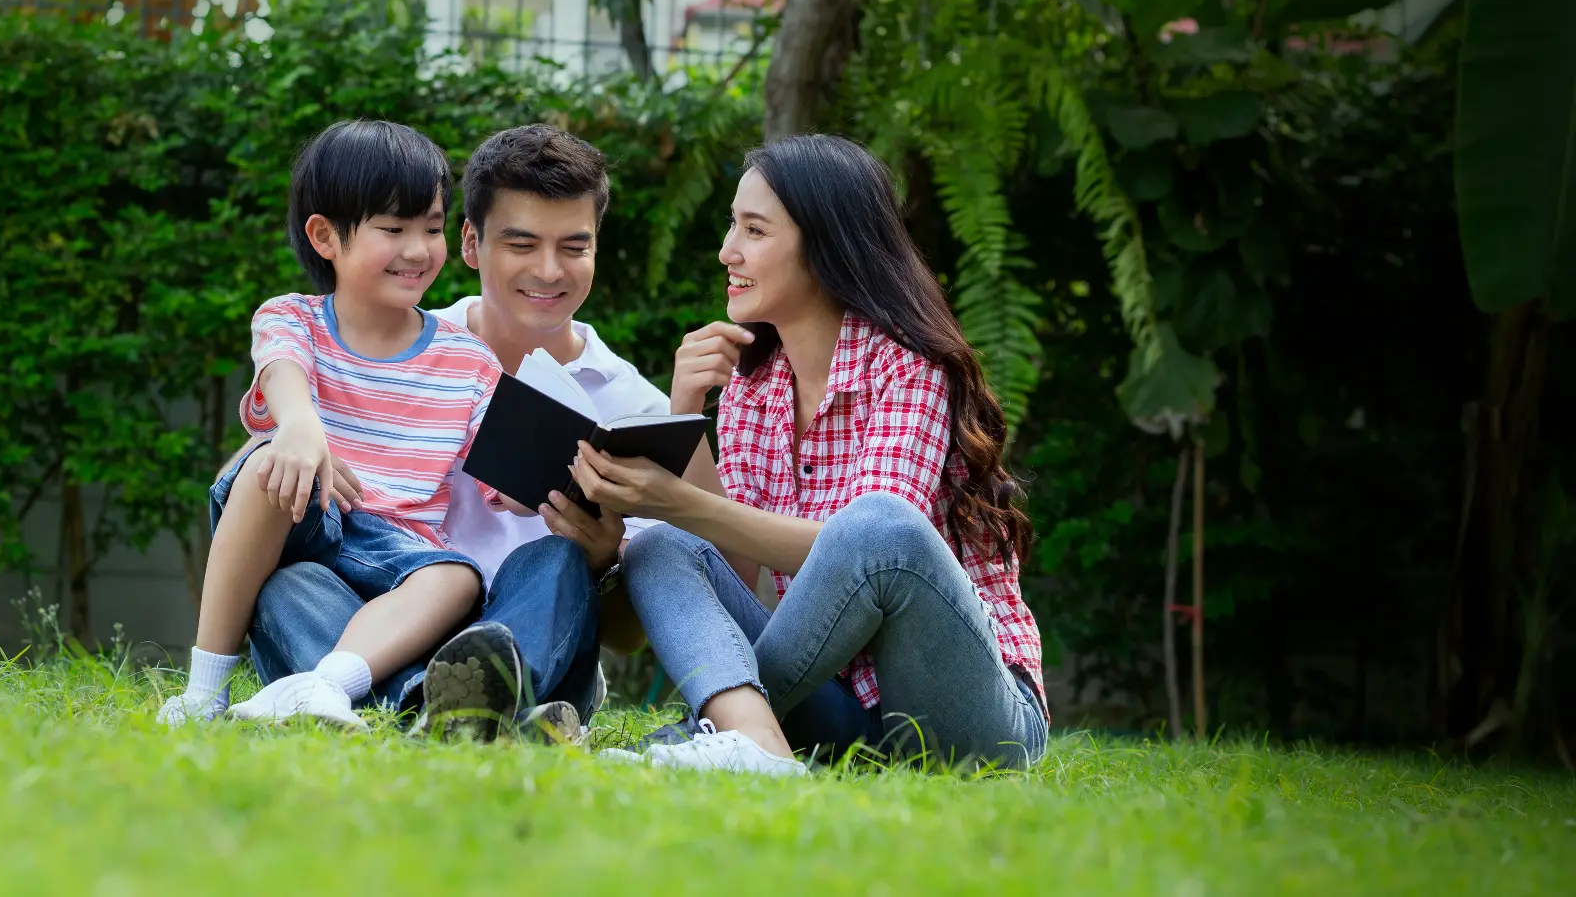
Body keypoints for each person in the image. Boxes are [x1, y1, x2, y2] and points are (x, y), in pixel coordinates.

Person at [577, 134, 1049, 775]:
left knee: (879, 525)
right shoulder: (753, 390)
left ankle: (712, 731)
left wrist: (680, 502)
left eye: (754, 230)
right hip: (838, 712)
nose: (728, 250)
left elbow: (874, 552)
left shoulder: (908, 367)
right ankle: (760, 745)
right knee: (660, 546)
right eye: (732, 225)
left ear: (827, 245)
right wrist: (684, 412)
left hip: (968, 713)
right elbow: (734, 570)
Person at [247, 124, 712, 740]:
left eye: (574, 247)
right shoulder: (389, 339)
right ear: (469, 241)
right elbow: (262, 475)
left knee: (553, 561)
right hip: (379, 618)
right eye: (522, 244)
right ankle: (452, 715)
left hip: (528, 637)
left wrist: (603, 560)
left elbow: (628, 636)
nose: (549, 270)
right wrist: (290, 446)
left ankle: (466, 701)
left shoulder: (632, 409)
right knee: (291, 585)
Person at [158, 119, 503, 731]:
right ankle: (202, 695)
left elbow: (505, 480)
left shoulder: (472, 363)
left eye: (432, 228)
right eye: (393, 229)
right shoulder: (292, 319)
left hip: (396, 559)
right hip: (306, 509)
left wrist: (550, 484)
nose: (418, 249)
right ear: (325, 236)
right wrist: (298, 425)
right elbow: (280, 369)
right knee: (267, 463)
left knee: (457, 577)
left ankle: (326, 688)